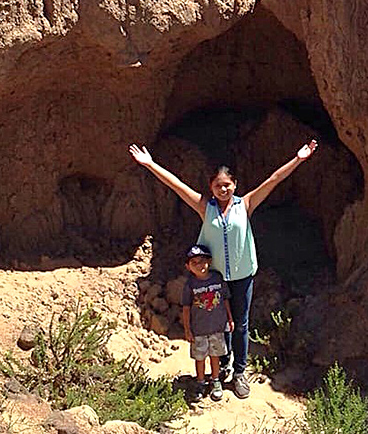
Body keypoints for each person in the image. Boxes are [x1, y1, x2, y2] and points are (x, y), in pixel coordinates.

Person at [129, 138, 318, 399]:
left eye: (227, 185)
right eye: (218, 186)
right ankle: (222, 370)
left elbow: (274, 180)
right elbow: (177, 185)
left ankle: (239, 372)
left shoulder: (246, 204)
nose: (223, 189)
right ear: (211, 187)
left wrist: (299, 159)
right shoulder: (205, 208)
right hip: (215, 280)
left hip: (242, 277)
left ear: (235, 185)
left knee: (240, 324)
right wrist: (150, 164)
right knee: (219, 326)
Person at [182, 243, 234, 401]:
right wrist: (187, 329)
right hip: (199, 329)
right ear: (188, 266)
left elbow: (225, 299)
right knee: (200, 357)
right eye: (194, 263)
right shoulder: (190, 285)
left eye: (202, 261)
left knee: (215, 355)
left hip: (217, 327)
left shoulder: (217, 278)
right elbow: (186, 308)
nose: (199, 265)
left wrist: (230, 319)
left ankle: (215, 380)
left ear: (209, 261)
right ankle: (200, 382)